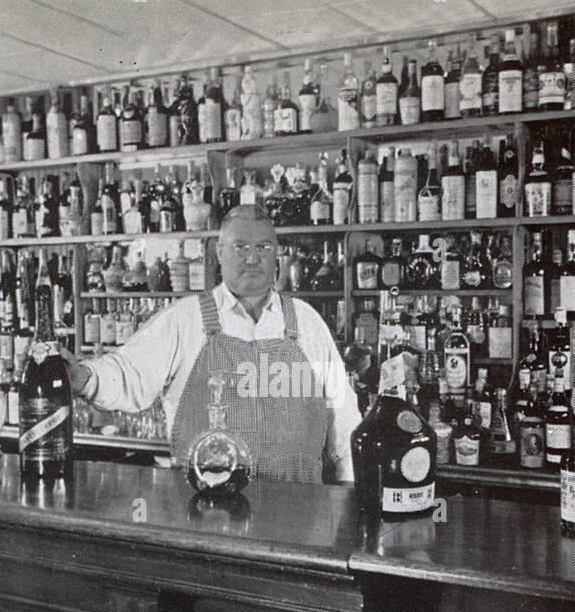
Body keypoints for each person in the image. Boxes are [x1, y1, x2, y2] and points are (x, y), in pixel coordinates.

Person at [61, 206, 360, 483]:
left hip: (300, 512)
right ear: (219, 252)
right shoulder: (186, 319)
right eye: (240, 247)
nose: (253, 258)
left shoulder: (308, 323)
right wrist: (84, 377)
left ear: (276, 254)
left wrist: (350, 492)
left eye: (263, 248)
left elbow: (344, 420)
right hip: (207, 511)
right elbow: (130, 373)